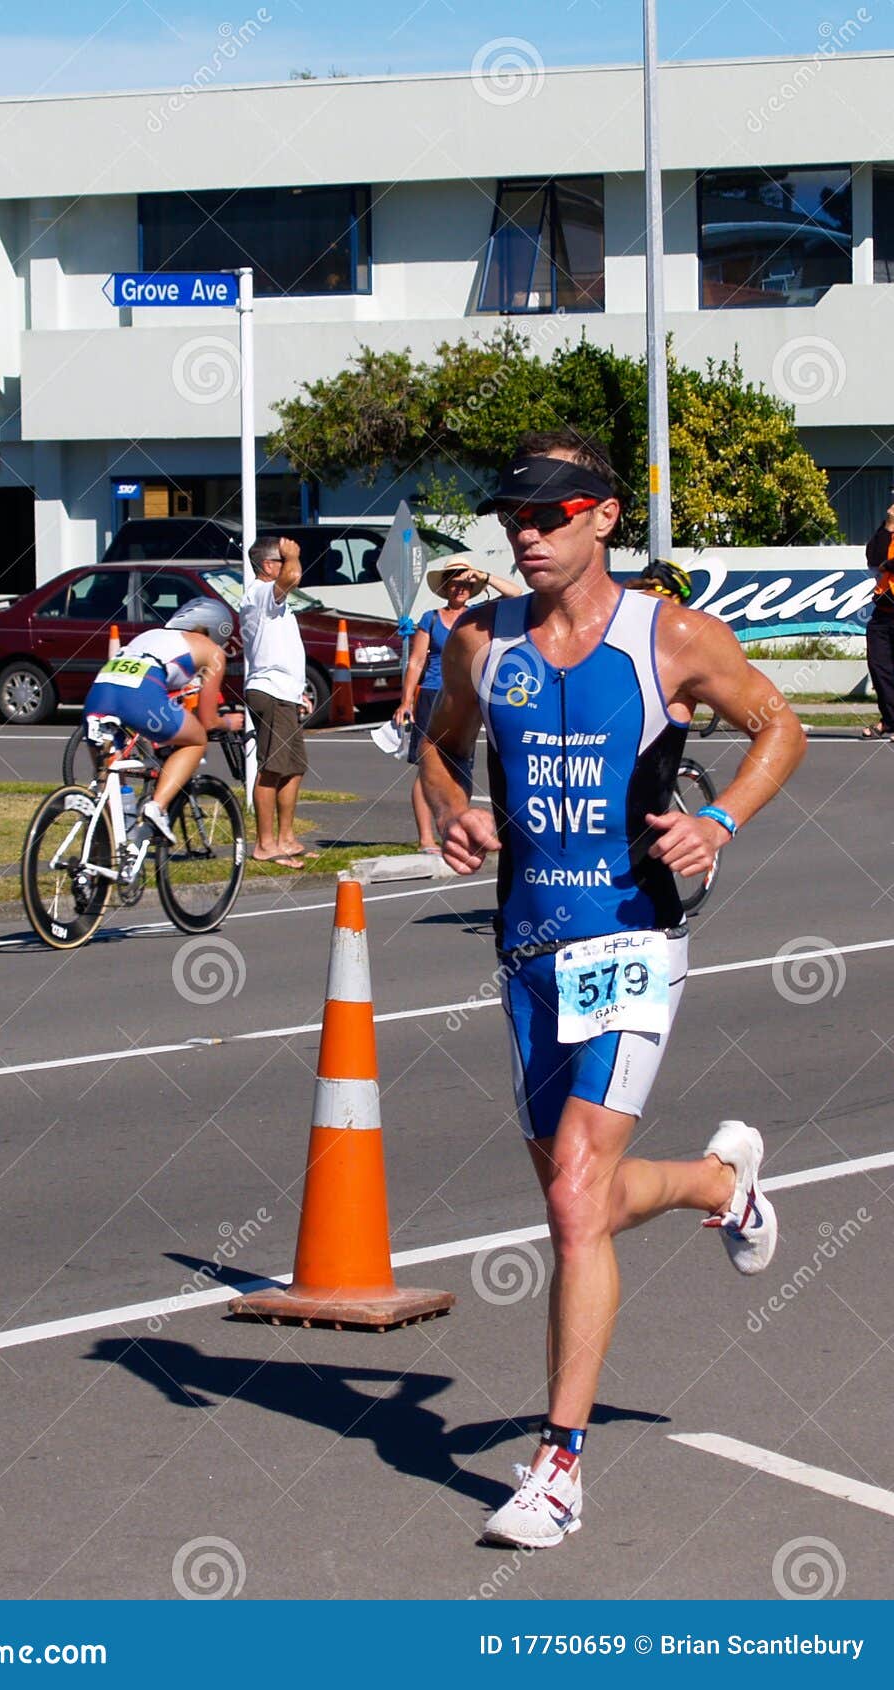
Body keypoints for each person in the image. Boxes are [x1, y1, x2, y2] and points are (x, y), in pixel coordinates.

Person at [419, 428, 807, 1550]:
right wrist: (453, 808)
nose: (525, 535)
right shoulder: (481, 639)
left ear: (602, 517)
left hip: (631, 941)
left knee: (574, 1197)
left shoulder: (668, 635)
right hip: (527, 952)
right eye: (512, 518)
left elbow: (779, 724)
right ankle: (719, 1183)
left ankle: (559, 1468)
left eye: (547, 515)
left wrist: (718, 819)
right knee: (575, 1195)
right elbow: (437, 746)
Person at [82, 596, 237, 845]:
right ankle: (157, 807)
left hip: (99, 691)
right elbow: (208, 720)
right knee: (196, 739)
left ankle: (109, 851)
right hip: (138, 694)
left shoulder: (150, 635)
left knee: (109, 777)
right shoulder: (212, 650)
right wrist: (228, 722)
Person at [393, 562, 523, 853]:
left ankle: (459, 828)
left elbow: (515, 594)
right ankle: (426, 838)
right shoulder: (431, 618)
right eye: (453, 582)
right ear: (444, 587)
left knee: (461, 763)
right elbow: (416, 661)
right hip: (433, 693)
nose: (460, 588)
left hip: (467, 694)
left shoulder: (477, 616)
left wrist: (485, 575)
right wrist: (406, 701)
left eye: (465, 583)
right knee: (427, 763)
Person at [240, 536, 313, 865]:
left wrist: (298, 692)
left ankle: (286, 838)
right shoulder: (259, 593)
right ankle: (265, 844)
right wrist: (293, 554)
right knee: (271, 768)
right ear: (268, 566)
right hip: (269, 691)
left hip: (285, 692)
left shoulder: (272, 598)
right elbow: (292, 577)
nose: (289, 564)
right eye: (281, 559)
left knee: (293, 767)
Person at [860, 503, 894, 738]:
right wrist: (889, 524)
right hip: (883, 610)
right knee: (880, 667)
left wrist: (887, 565)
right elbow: (873, 558)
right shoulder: (887, 530)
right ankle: (889, 720)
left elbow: (885, 564)